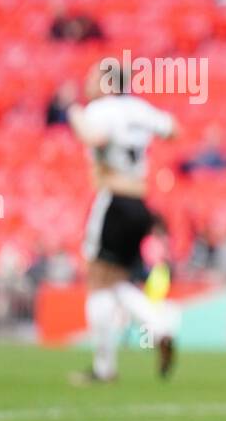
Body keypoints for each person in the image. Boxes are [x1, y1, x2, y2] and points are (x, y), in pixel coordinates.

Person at [66, 62, 179, 384]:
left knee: (98, 280)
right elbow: (173, 129)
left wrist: (73, 113)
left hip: (114, 200)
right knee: (117, 282)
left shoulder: (100, 109)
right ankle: (160, 328)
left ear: (107, 83)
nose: (87, 83)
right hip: (140, 203)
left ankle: (104, 368)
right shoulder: (138, 108)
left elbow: (96, 138)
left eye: (92, 77)